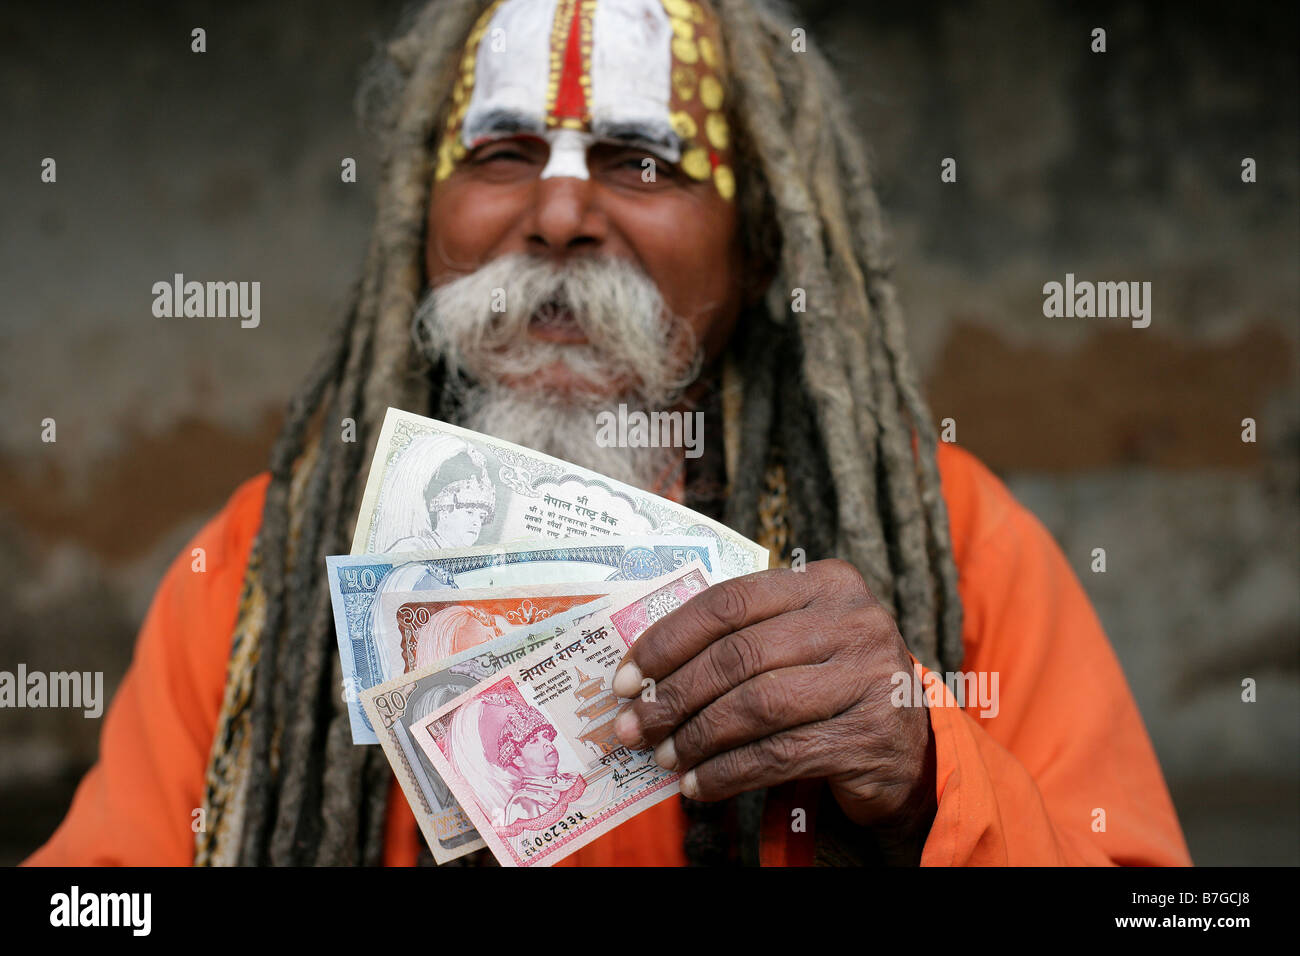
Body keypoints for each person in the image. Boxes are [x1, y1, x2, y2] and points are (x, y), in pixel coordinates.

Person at [25, 0, 1191, 867]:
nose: (561, 212)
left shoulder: (960, 536)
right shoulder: (264, 563)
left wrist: (930, 772)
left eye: (642, 161)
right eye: (501, 154)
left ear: (760, 246)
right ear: (420, 221)